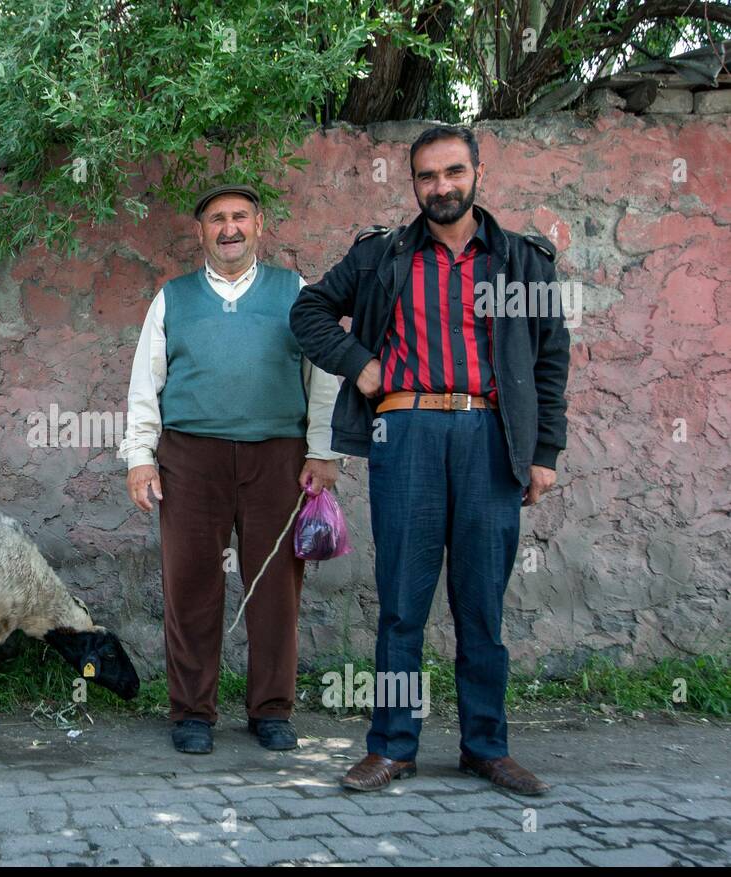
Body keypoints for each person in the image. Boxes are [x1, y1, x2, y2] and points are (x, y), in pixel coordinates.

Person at [289, 125, 569, 795]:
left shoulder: (521, 261)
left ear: (477, 173)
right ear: (413, 184)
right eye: (426, 176)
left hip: (488, 438)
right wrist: (359, 365)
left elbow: (550, 359)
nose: (440, 186)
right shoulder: (384, 256)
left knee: (481, 606)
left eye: (452, 172)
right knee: (402, 606)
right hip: (404, 433)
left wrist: (544, 452)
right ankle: (392, 746)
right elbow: (310, 312)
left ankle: (485, 747)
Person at [120, 183, 344, 754]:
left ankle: (271, 711)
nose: (229, 228)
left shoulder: (294, 292)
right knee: (190, 584)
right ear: (201, 231)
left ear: (259, 225)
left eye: (240, 217)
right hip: (191, 459)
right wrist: (141, 458)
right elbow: (146, 384)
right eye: (217, 218)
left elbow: (324, 378)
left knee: (275, 589)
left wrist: (323, 451)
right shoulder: (173, 297)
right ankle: (192, 713)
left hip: (279, 458)